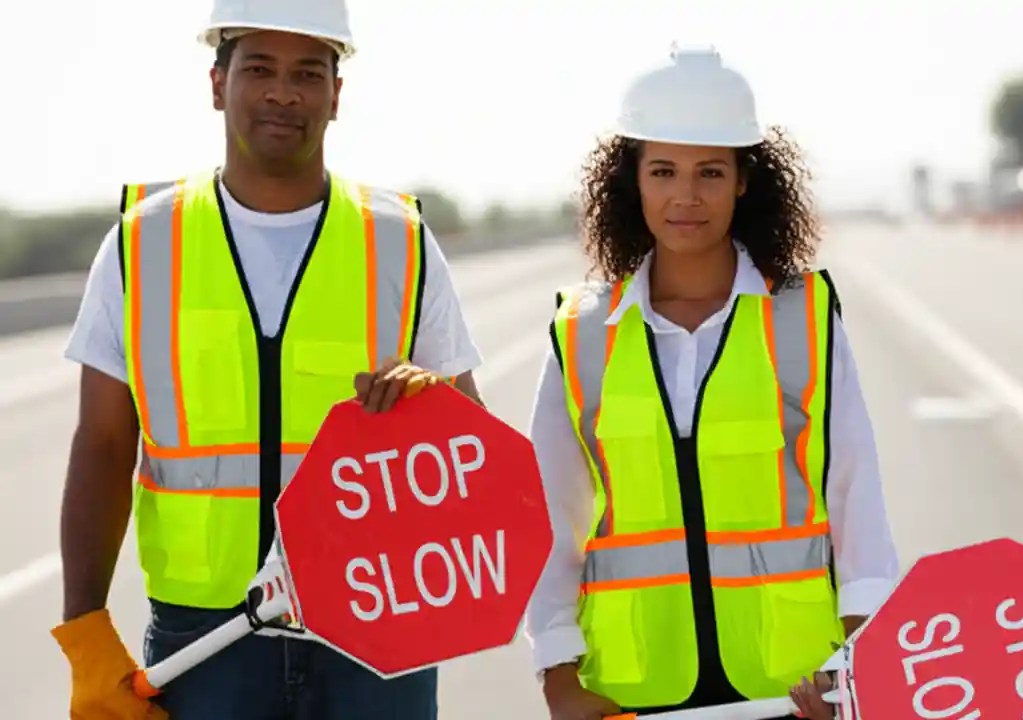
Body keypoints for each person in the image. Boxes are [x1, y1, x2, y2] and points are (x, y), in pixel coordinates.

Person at [48, 1, 482, 718]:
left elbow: (473, 449)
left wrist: (432, 407)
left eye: (308, 73)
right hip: (204, 642)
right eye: (260, 69)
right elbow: (101, 445)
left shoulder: (399, 242)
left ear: (336, 96)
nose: (284, 92)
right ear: (217, 83)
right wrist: (87, 631)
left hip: (375, 633)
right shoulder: (142, 244)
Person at [523, 45, 901, 720]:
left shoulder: (804, 317)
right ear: (631, 180)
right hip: (632, 693)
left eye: (710, 172)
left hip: (793, 690)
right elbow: (548, 518)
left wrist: (859, 657)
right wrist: (557, 671)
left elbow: (856, 495)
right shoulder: (581, 332)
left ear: (744, 180)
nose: (686, 196)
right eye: (663, 170)